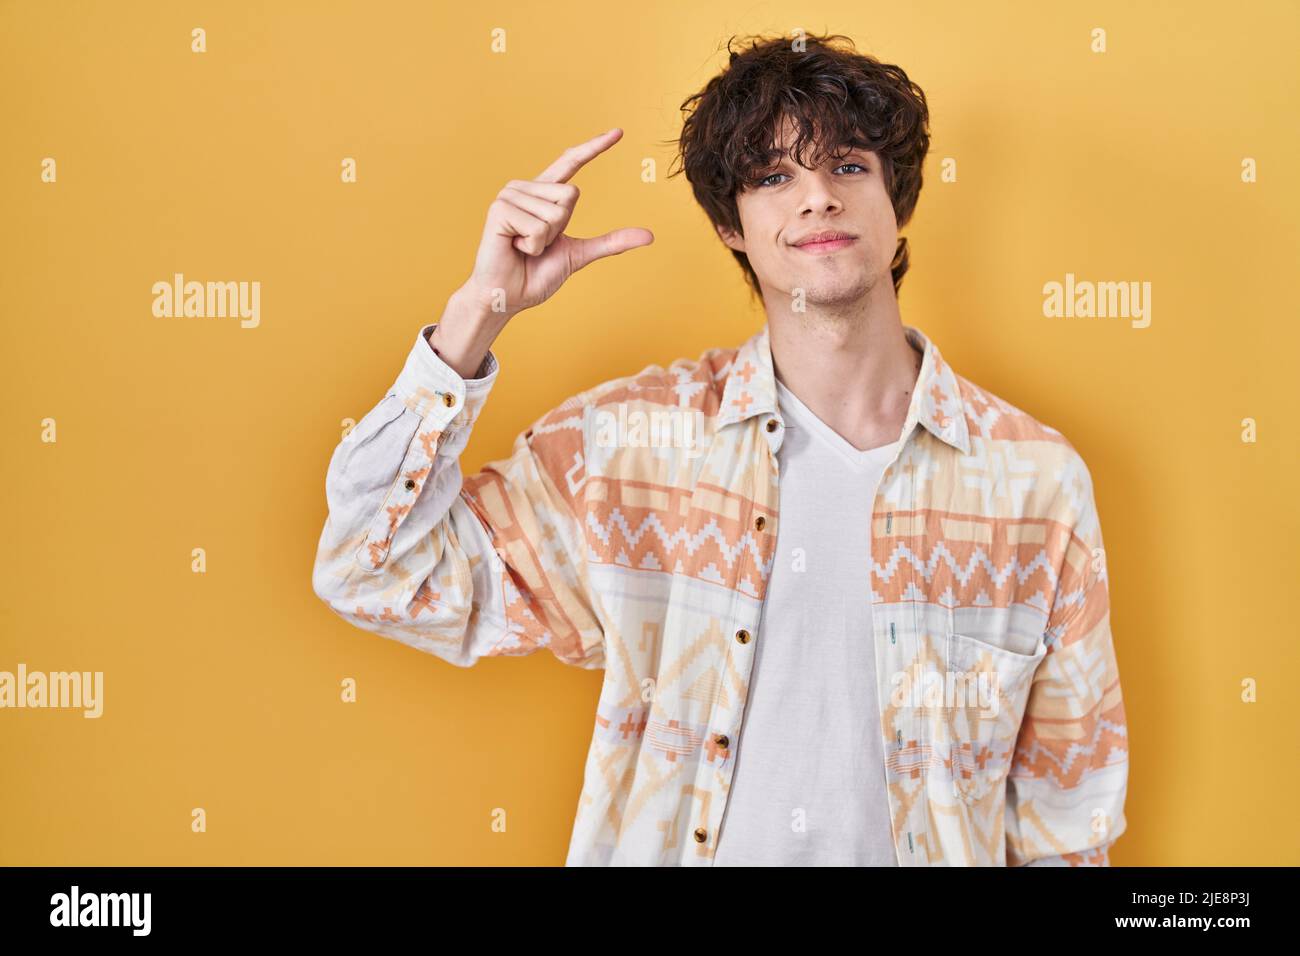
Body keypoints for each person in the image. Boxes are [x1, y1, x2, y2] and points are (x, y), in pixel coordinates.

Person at [311, 32, 1129, 867]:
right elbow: (371, 569)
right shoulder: (633, 450)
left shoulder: (1033, 482)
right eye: (773, 177)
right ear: (731, 226)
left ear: (898, 201)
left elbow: (1069, 822)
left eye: (847, 166)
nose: (817, 200)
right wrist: (476, 316)